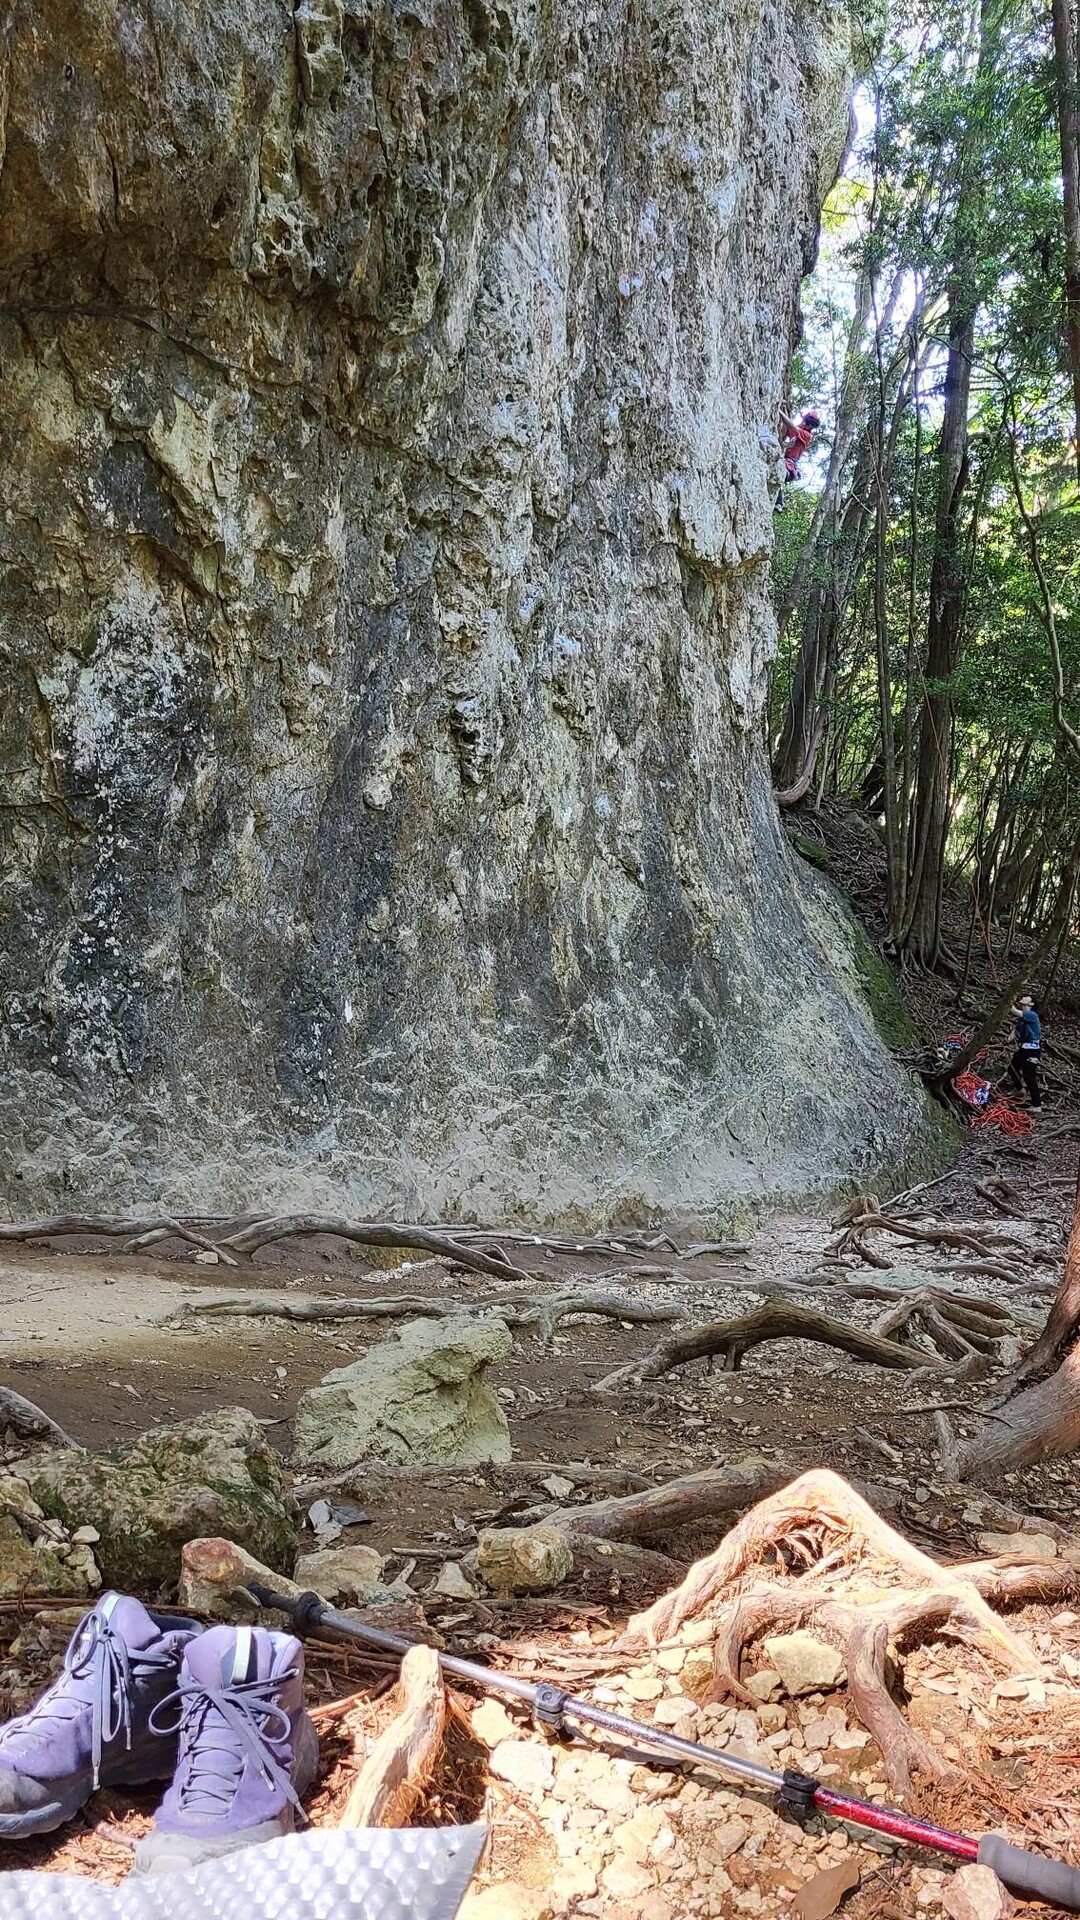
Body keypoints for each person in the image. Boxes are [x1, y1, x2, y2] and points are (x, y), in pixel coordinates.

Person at [1004, 993, 1043, 1111]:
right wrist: (1007, 1040)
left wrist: (1007, 999)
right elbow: (1016, 1032)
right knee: (1012, 1069)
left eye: (1026, 998)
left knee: (1029, 1077)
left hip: (1032, 1050)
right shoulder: (1023, 1018)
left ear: (1031, 1003)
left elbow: (1015, 1011)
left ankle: (1037, 1105)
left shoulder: (1032, 1015)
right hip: (1023, 1049)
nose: (1022, 998)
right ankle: (1019, 1089)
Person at [780, 409, 821, 483]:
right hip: (785, 463)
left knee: (777, 472)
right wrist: (785, 410)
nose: (809, 427)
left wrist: (780, 412)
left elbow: (792, 426)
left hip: (789, 466)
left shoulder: (807, 435)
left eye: (811, 426)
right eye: (808, 424)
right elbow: (788, 428)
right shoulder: (797, 432)